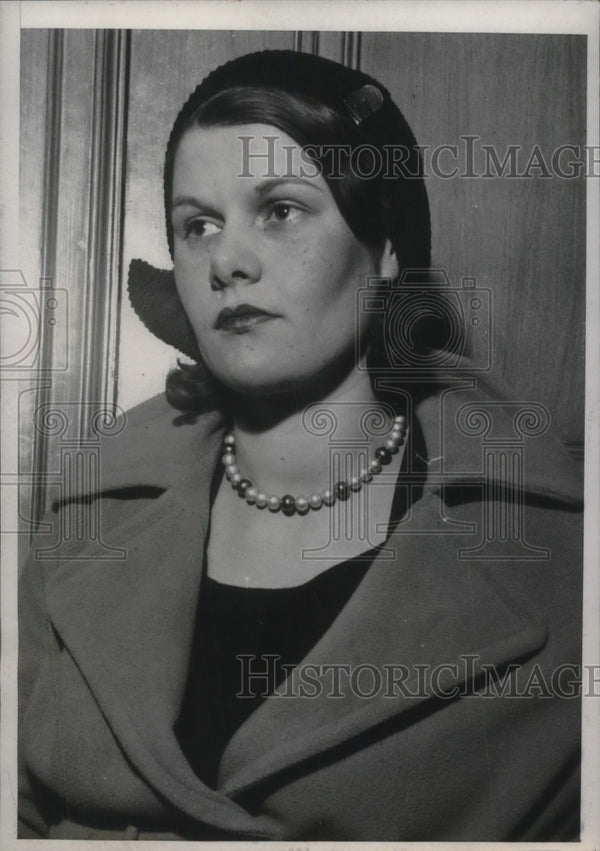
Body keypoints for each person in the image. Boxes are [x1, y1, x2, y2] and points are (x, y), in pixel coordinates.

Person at [18, 49, 583, 841]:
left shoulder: (557, 556)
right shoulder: (86, 520)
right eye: (197, 224)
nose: (226, 261)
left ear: (384, 245)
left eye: (280, 210)